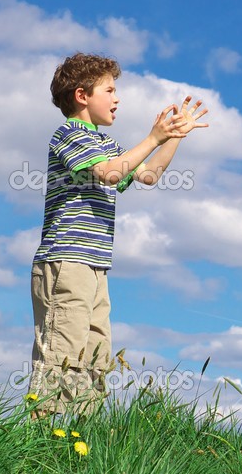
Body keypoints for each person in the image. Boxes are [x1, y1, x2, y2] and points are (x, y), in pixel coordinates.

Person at [28, 52, 208, 417]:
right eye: (109, 90)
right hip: (67, 262)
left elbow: (148, 175)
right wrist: (152, 136)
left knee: (96, 356)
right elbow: (109, 173)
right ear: (82, 96)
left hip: (96, 265)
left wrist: (172, 137)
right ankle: (42, 434)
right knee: (62, 355)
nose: (117, 98)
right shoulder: (69, 135)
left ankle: (79, 434)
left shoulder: (105, 143)